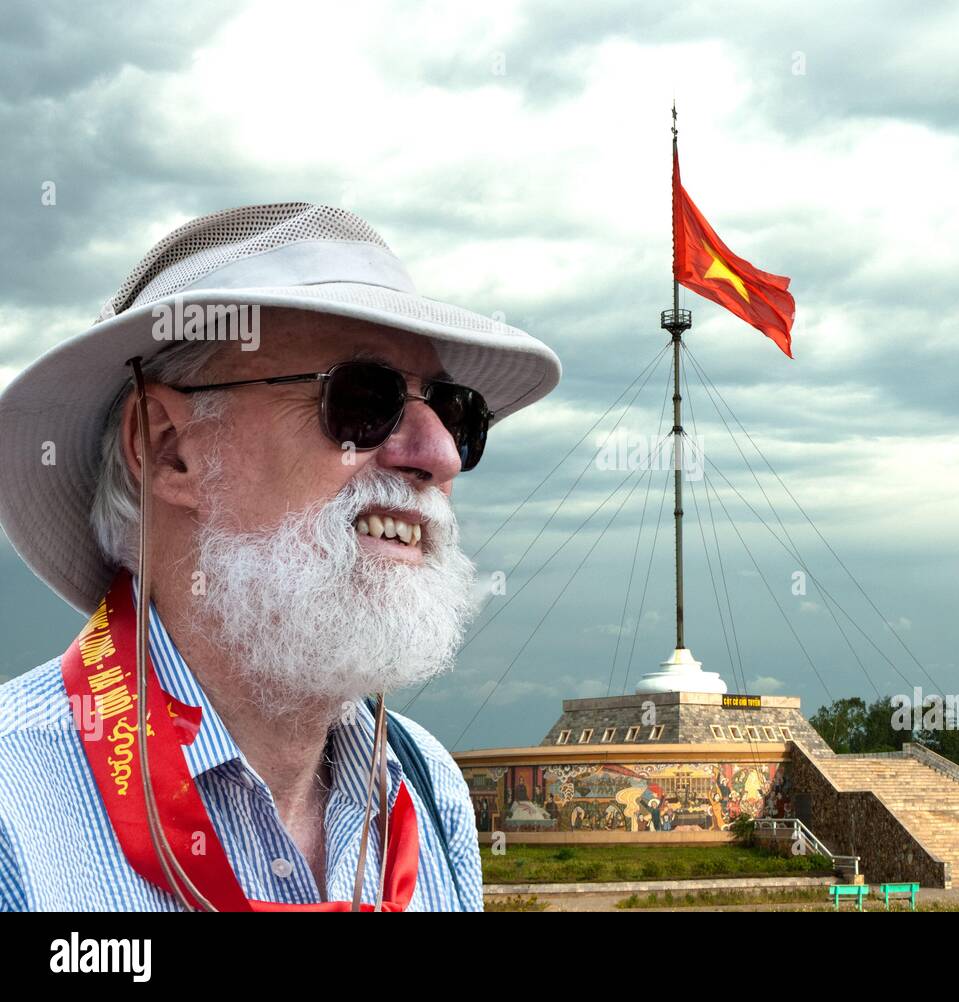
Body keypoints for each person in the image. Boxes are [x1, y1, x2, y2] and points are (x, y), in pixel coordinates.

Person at [0, 203, 562, 911]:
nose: (440, 454)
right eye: (363, 399)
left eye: (454, 409)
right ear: (170, 448)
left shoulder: (427, 788)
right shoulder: (13, 813)